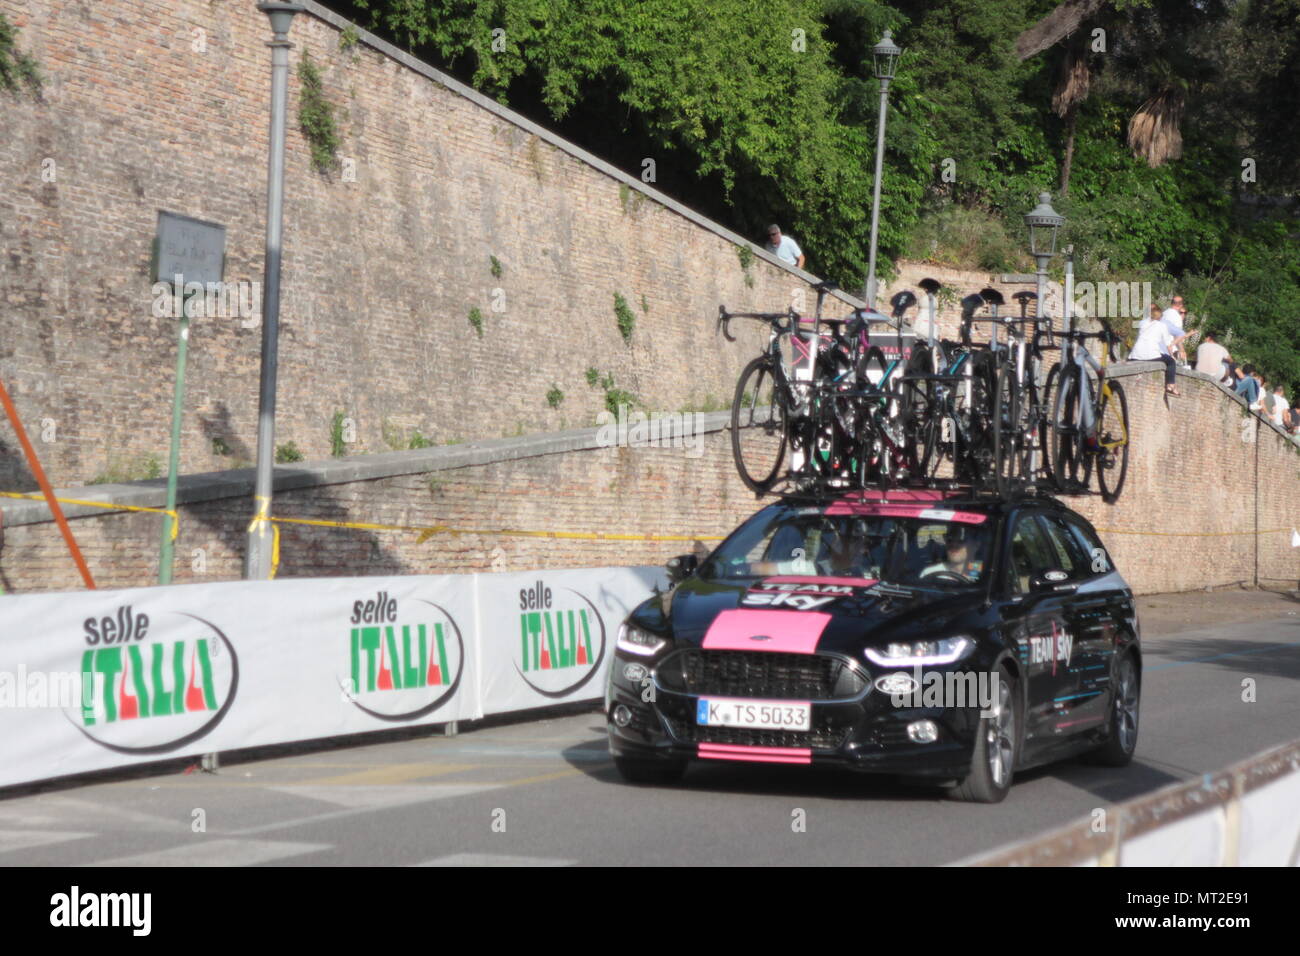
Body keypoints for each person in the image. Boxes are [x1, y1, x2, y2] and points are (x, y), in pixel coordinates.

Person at [1129, 304, 1182, 395]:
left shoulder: (1143, 323)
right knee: (1171, 362)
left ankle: (1171, 385)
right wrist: (1172, 356)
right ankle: (1170, 385)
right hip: (1151, 355)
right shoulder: (1162, 326)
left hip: (1135, 355)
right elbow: (1168, 345)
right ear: (1160, 316)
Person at [920, 527, 984, 582]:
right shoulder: (930, 572)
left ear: (975, 545)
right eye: (949, 541)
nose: (954, 545)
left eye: (961, 541)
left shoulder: (983, 576)